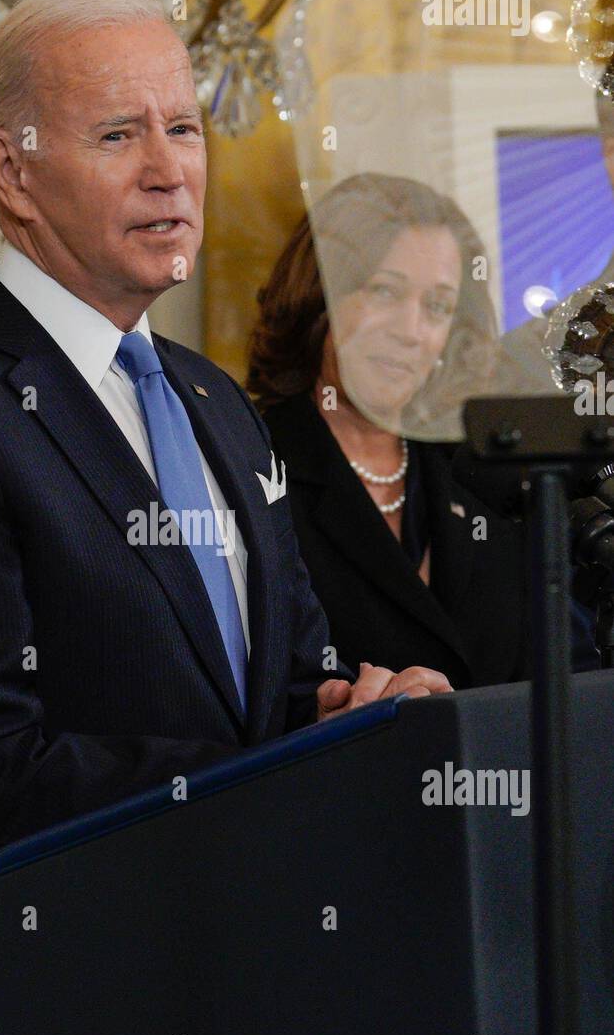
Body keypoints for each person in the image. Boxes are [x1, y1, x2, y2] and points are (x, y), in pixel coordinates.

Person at [0, 0, 451, 1035]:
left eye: (186, 127)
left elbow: (278, 684)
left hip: (238, 1031)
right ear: (13, 173)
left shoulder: (215, 402)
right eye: (120, 135)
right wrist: (269, 771)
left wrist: (352, 714)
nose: (172, 171)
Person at [248, 174, 598, 688]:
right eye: (385, 292)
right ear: (318, 299)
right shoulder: (248, 458)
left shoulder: (483, 468)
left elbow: (570, 675)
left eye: (436, 306)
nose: (410, 331)